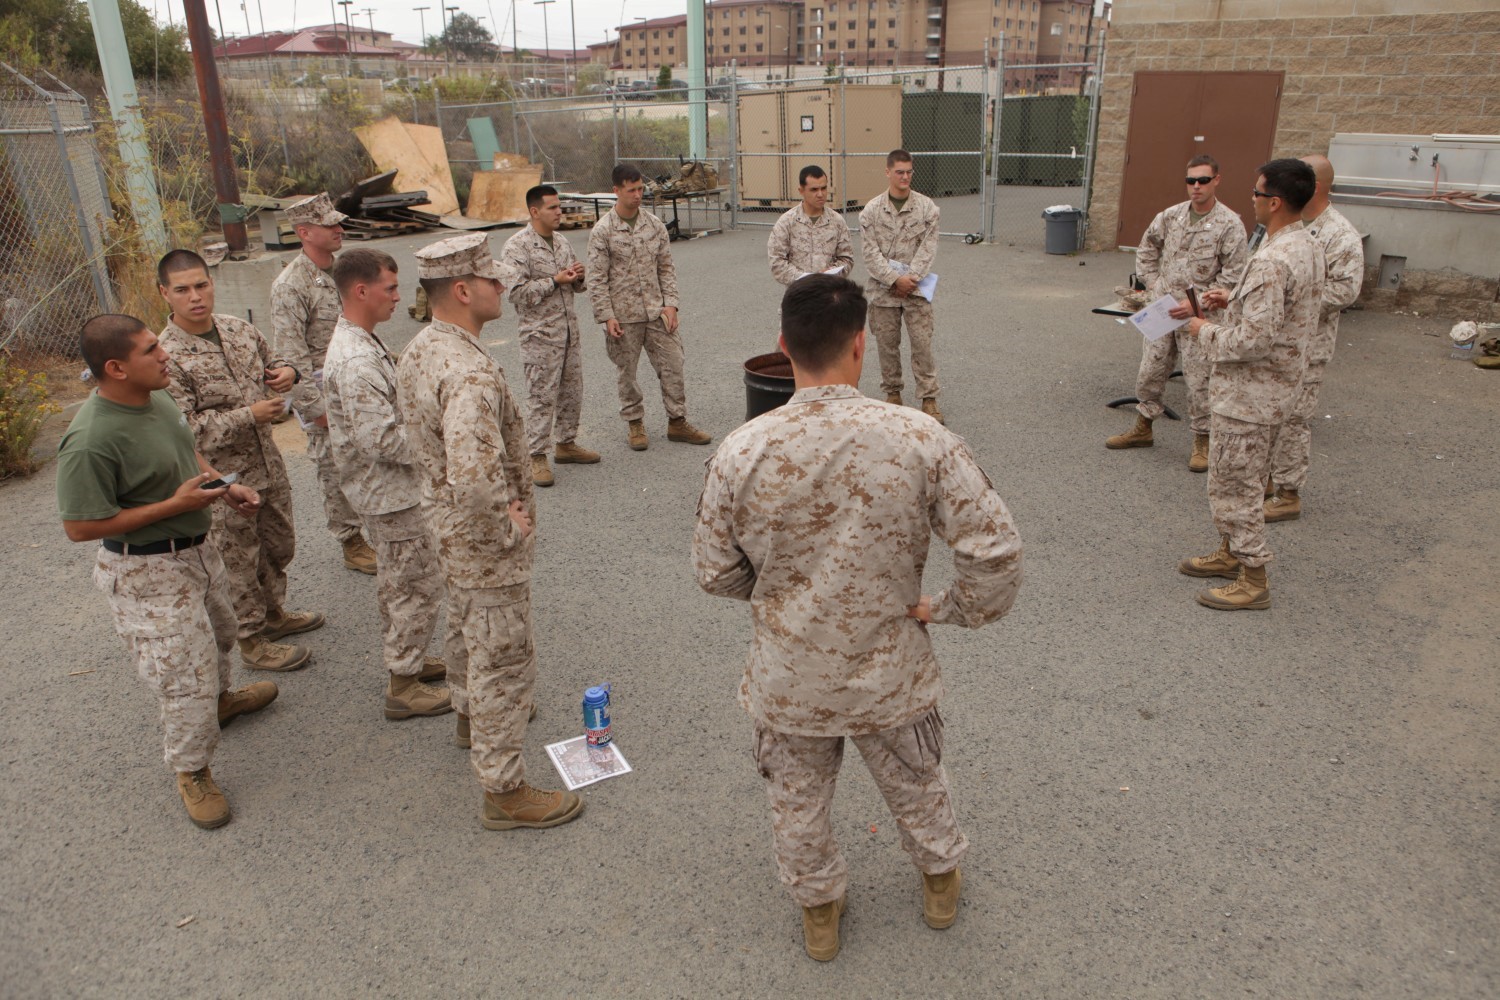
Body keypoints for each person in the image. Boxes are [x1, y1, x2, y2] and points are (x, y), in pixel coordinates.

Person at [693, 274, 1024, 961]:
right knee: (916, 779)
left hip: (790, 676)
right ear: (862, 347)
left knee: (797, 802)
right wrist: (951, 609)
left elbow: (715, 572)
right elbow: (994, 551)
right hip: (889, 670)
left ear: (783, 347)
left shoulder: (740, 451)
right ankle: (939, 878)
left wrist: (776, 595)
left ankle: (820, 909)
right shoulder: (918, 437)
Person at [57, 314, 279, 829]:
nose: (166, 356)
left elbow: (187, 449)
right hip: (147, 573)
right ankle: (192, 769)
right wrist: (170, 506)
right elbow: (79, 526)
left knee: (222, 636)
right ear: (115, 368)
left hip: (198, 553)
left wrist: (222, 484)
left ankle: (221, 702)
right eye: (152, 349)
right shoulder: (90, 439)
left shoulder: (156, 397)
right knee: (183, 677)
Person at [395, 233, 583, 831]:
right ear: (461, 289)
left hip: (446, 528)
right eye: (492, 279)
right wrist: (509, 518)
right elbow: (476, 478)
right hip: (480, 538)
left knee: (465, 627)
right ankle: (504, 790)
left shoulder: (423, 346)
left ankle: (467, 717)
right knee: (504, 655)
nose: (502, 286)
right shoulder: (467, 371)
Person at [157, 250, 324, 671]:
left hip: (268, 463)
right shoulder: (166, 356)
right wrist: (247, 416)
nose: (195, 296)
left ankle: (274, 615)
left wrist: (289, 373)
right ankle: (250, 640)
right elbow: (182, 428)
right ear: (165, 294)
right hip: (221, 476)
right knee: (238, 558)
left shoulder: (238, 330)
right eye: (182, 289)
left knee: (277, 544)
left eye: (201, 285)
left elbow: (275, 363)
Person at [1179, 159, 1324, 611]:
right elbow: (1279, 315)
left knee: (1234, 485)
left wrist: (1202, 329)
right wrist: (1232, 300)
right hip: (1276, 389)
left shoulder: (1273, 260)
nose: (1253, 200)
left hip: (1248, 396)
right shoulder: (1305, 243)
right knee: (1248, 477)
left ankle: (1253, 577)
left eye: (1258, 194)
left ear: (1275, 202)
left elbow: (1253, 340)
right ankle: (1230, 552)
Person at [323, 248, 452, 720]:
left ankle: (410, 661)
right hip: (390, 493)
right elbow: (380, 439)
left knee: (402, 580)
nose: (399, 297)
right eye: (390, 288)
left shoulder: (362, 340)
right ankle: (403, 683)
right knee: (413, 585)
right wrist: (440, 440)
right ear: (361, 291)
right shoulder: (356, 360)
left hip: (389, 489)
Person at [1106, 155, 1249, 471]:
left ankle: (1202, 441)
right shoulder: (1170, 217)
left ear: (1216, 181)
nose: (1196, 187)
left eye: (1203, 180)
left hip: (1200, 316)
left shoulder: (1230, 224)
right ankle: (1143, 428)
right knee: (1151, 370)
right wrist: (1154, 283)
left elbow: (1234, 275)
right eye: (1191, 181)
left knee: (1199, 380)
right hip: (1163, 310)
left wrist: (1199, 302)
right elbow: (1146, 249)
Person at [269, 192, 377, 575]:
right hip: (322, 387)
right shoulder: (292, 284)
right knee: (334, 467)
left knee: (371, 455)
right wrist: (314, 410)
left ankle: (378, 527)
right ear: (304, 231)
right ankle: (351, 540)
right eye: (328, 224)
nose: (338, 229)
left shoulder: (344, 270)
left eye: (337, 222)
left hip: (357, 379)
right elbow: (290, 356)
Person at [1264, 154, 1365, 522]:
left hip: (1308, 347)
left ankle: (1288, 493)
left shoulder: (1340, 235)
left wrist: (1291, 297)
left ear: (1315, 186)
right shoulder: (1286, 224)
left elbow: (1346, 291)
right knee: (1271, 415)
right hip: (1273, 342)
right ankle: (1268, 482)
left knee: (1294, 419)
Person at [586, 163, 712, 452]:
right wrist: (606, 316)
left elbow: (666, 268)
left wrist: (672, 305)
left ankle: (677, 421)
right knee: (626, 372)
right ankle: (635, 423)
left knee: (673, 364)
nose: (637, 195)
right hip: (623, 316)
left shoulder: (653, 225)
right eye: (631, 190)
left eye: (640, 189)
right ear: (616, 191)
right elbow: (596, 278)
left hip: (656, 311)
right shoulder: (603, 231)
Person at [499, 184, 601, 488]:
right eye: (553, 208)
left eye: (559, 207)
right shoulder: (517, 247)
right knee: (541, 395)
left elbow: (577, 286)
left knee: (572, 390)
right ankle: (536, 454)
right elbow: (516, 294)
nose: (559, 212)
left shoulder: (560, 242)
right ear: (534, 211)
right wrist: (554, 281)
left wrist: (578, 277)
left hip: (568, 332)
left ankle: (566, 444)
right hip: (539, 336)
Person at [859, 149, 943, 422]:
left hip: (916, 290)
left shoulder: (927, 208)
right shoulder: (871, 211)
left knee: (922, 344)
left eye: (909, 172)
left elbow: (927, 249)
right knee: (887, 344)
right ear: (888, 172)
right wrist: (895, 279)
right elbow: (870, 254)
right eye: (899, 172)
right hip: (884, 291)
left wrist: (910, 280)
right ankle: (893, 394)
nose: (905, 177)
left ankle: (928, 398)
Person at [767, 165, 854, 286]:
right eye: (814, 190)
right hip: (798, 295)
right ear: (801, 191)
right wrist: (805, 279)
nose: (820, 194)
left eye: (823, 188)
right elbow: (777, 262)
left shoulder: (837, 221)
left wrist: (830, 273)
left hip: (828, 293)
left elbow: (846, 259)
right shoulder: (786, 222)